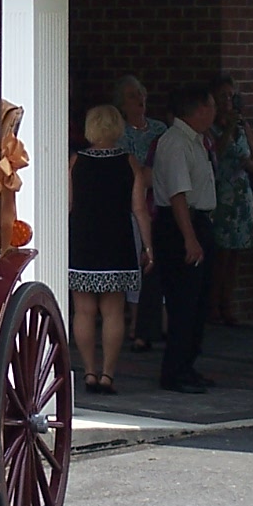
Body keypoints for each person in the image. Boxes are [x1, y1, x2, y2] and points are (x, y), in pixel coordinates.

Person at [69, 104, 152, 395]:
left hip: (83, 241)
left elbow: (68, 206)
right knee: (114, 312)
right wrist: (149, 246)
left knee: (83, 311)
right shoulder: (129, 162)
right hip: (117, 241)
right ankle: (108, 375)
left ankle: (89, 371)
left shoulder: (75, 162)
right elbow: (139, 209)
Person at [150, 83, 218, 392]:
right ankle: (174, 371)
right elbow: (178, 194)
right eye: (211, 105)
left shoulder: (197, 141)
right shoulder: (175, 141)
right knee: (183, 303)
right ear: (198, 108)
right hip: (180, 224)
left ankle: (188, 365)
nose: (215, 112)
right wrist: (189, 238)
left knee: (199, 302)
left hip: (199, 221)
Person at [115, 76, 167, 352]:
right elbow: (128, 172)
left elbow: (166, 167)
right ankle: (136, 322)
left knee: (160, 262)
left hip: (160, 203)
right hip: (132, 206)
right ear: (122, 104)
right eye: (133, 96)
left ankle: (161, 322)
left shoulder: (159, 130)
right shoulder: (120, 133)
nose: (140, 100)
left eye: (141, 94)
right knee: (137, 263)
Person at [207, 75, 253, 325]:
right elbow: (214, 154)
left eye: (231, 96)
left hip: (241, 193)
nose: (228, 101)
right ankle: (213, 305)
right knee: (220, 253)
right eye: (223, 96)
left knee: (236, 254)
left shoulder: (243, 125)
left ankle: (228, 302)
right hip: (221, 193)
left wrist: (248, 164)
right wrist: (228, 128)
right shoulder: (210, 127)